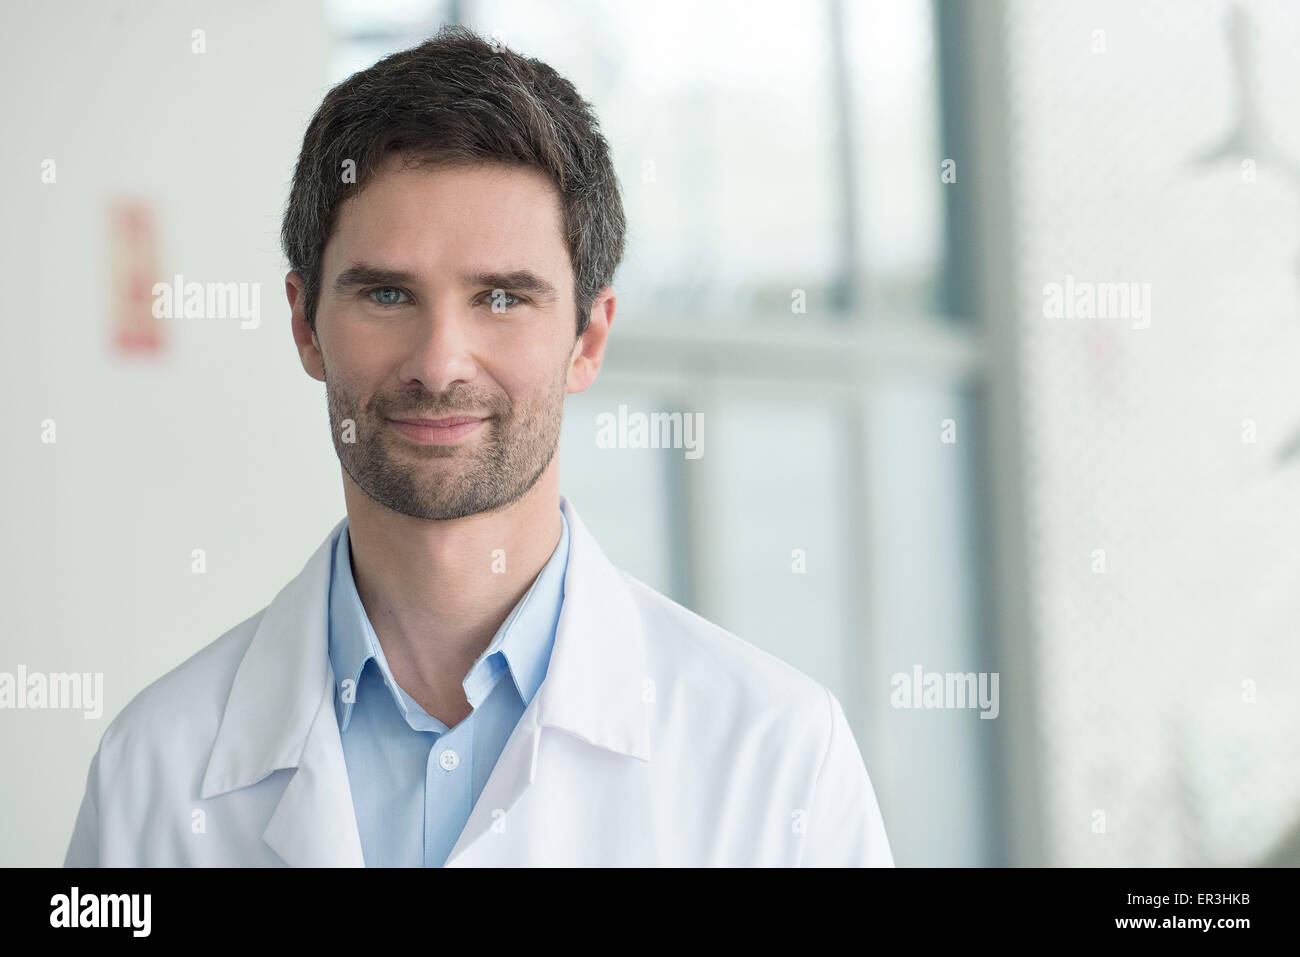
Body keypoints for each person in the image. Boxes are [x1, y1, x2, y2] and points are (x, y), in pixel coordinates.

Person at [63, 25, 893, 867]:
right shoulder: (151, 773)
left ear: (588, 339)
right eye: (387, 294)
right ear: (305, 325)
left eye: (501, 298)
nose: (439, 364)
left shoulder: (782, 763)